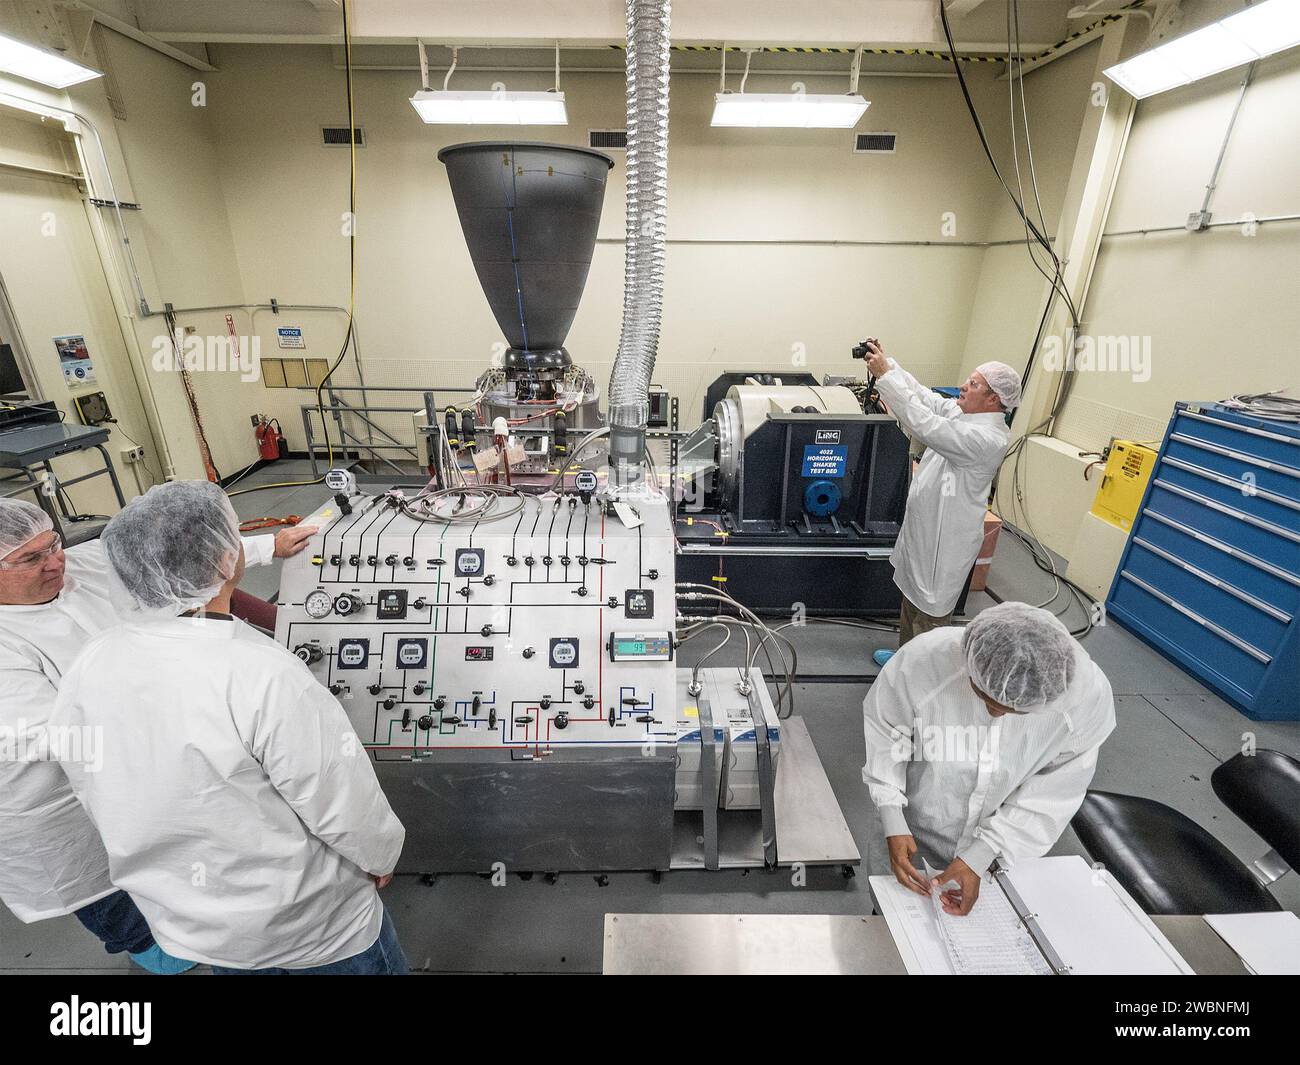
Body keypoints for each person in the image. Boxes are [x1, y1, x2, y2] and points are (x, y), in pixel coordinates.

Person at [52, 481, 407, 974]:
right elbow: (340, 799)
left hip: (194, 926)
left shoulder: (91, 662)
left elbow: (92, 785)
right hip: (312, 925)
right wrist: (381, 855)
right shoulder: (264, 672)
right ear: (225, 563)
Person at [0, 497, 311, 972]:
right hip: (55, 807)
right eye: (32, 557)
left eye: (54, 545)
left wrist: (270, 544)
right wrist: (195, 709)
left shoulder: (81, 568)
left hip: (144, 772)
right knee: (112, 900)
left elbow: (175, 557)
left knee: (172, 864)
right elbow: (57, 736)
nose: (56, 560)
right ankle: (154, 955)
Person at [861, 602, 1115, 915]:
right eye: (983, 695)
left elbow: (1054, 792)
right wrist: (892, 818)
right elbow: (887, 734)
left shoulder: (1083, 701)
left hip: (1002, 851)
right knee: (894, 920)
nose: (995, 711)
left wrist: (982, 854)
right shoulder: (924, 661)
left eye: (1014, 710)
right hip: (914, 825)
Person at [864, 340, 1021, 659]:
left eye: (973, 384)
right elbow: (926, 399)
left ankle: (921, 680)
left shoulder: (986, 438)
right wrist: (888, 364)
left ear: (993, 398)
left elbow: (925, 424)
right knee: (912, 599)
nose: (964, 386)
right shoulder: (965, 415)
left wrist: (884, 379)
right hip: (927, 534)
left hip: (944, 543)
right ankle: (905, 659)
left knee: (930, 616)